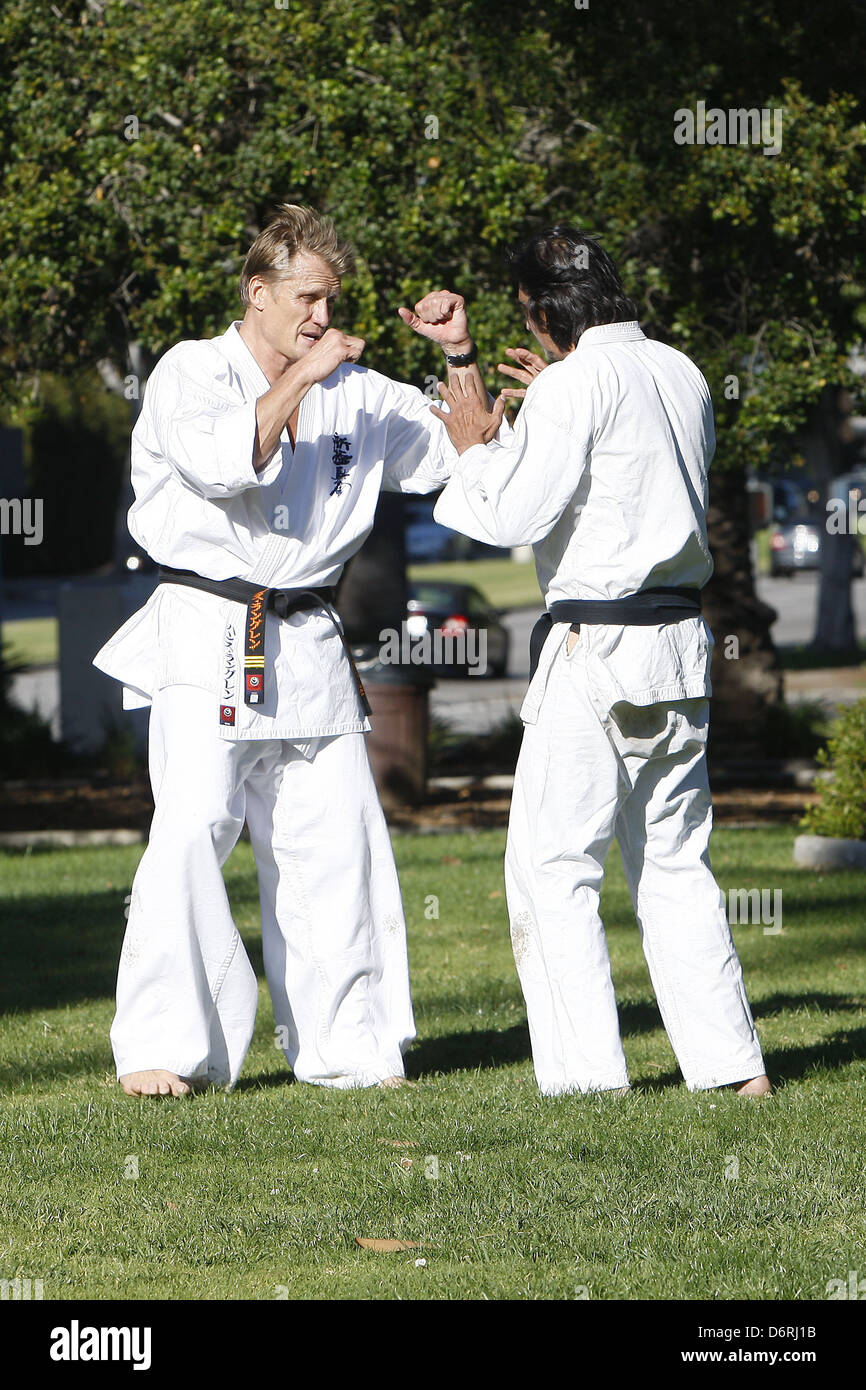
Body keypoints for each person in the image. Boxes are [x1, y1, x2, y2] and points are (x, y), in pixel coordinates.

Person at [93, 203, 501, 1097]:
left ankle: (348, 1046)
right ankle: (169, 1048)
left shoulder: (359, 390)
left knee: (332, 844)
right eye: (308, 298)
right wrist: (306, 375)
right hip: (206, 630)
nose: (322, 316)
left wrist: (459, 358)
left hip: (309, 635)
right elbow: (224, 464)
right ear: (259, 292)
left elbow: (469, 447)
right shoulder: (190, 372)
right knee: (195, 827)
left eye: (330, 300)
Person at [430, 226, 771, 1099]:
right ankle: (734, 1071)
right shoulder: (680, 370)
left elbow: (511, 518)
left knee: (553, 867)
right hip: (677, 645)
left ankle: (588, 1082)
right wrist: (547, 406)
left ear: (541, 313)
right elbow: (632, 474)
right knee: (674, 862)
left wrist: (473, 441)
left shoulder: (577, 382)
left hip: (599, 644)